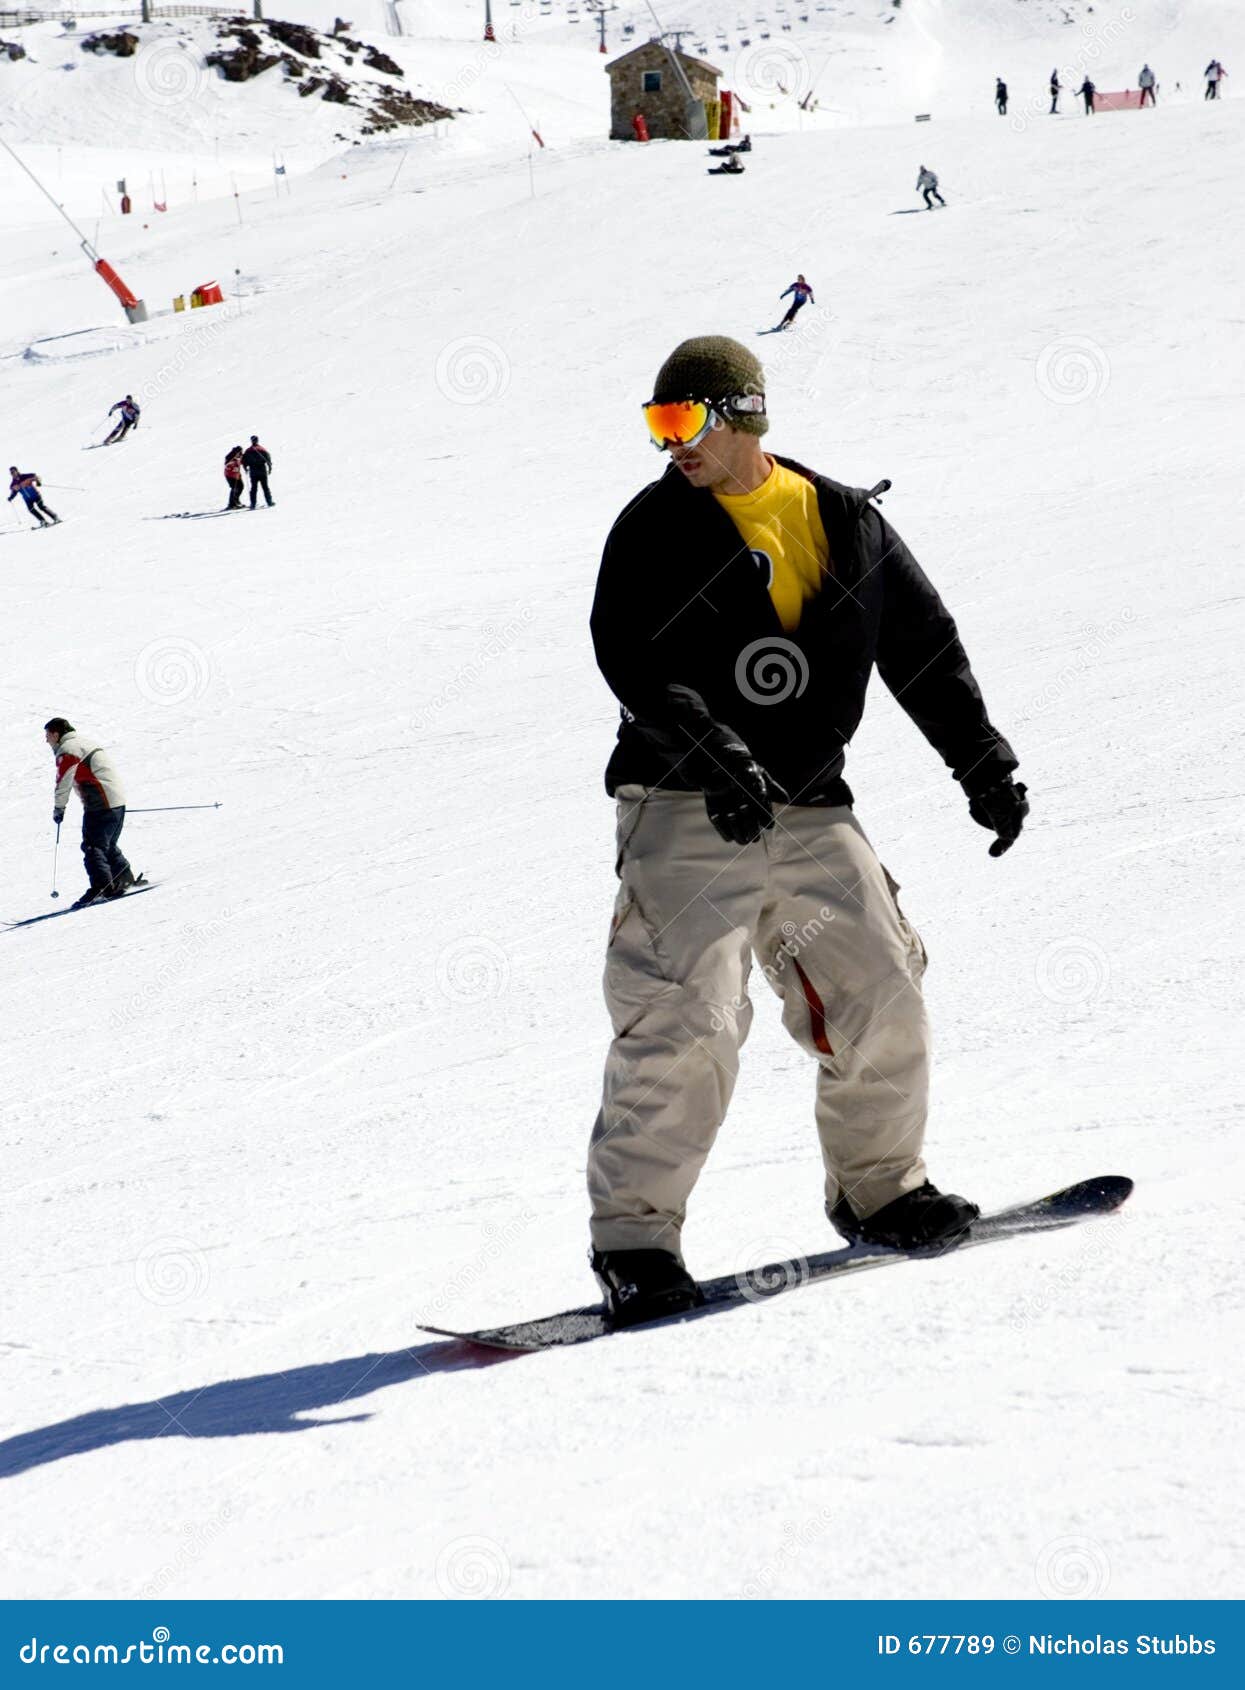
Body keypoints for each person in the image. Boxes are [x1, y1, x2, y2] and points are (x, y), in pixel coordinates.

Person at [586, 336, 1027, 1326]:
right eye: (655, 426)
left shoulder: (842, 520)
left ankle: (881, 1188)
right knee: (685, 1014)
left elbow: (923, 648)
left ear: (742, 413)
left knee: (882, 979)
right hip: (680, 798)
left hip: (809, 800)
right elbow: (631, 660)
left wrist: (982, 762)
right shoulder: (655, 528)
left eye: (681, 421)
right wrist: (712, 753)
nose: (670, 447)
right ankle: (635, 1243)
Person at [44, 718, 137, 908]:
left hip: (101, 803)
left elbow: (63, 780)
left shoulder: (68, 749)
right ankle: (124, 879)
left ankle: (102, 887)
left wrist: (59, 808)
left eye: (47, 736)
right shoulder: (83, 742)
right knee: (106, 845)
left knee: (93, 847)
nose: (46, 741)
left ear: (55, 734)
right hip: (115, 801)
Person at [242, 435, 274, 508]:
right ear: (257, 440)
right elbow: (268, 459)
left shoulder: (248, 451)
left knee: (253, 488)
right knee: (265, 487)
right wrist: (270, 468)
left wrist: (245, 468)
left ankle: (253, 504)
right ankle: (269, 502)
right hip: (262, 471)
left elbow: (244, 461)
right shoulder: (262, 449)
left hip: (253, 472)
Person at [224, 445, 244, 509]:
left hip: (237, 475)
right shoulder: (231, 456)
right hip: (230, 475)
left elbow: (242, 460)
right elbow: (227, 463)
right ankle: (231, 504)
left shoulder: (239, 455)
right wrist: (233, 461)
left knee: (241, 486)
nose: (241, 453)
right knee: (234, 488)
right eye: (240, 451)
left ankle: (236, 500)